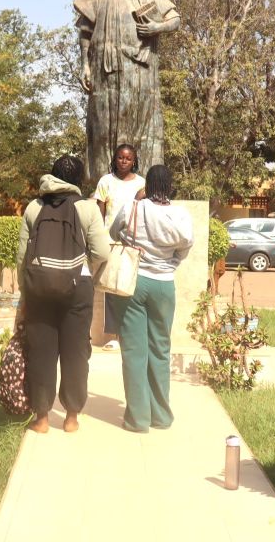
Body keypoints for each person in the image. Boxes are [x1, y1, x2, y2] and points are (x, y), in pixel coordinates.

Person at [74, 0, 180, 181]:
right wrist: (85, 65)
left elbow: (175, 19)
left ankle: (147, 184)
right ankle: (104, 183)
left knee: (146, 130)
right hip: (108, 74)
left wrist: (157, 27)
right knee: (104, 130)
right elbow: (85, 31)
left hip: (143, 75)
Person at [17, 155, 111, 434]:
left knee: (41, 351)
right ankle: (71, 417)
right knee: (76, 352)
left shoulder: (34, 207)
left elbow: (22, 257)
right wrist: (84, 266)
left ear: (52, 175)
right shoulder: (87, 208)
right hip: (77, 287)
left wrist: (25, 292)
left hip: (39, 290)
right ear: (78, 179)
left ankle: (42, 418)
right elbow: (102, 252)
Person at [109, 165, 193, 433]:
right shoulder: (180, 214)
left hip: (133, 282)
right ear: (169, 187)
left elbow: (113, 233)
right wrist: (170, 262)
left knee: (134, 351)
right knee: (160, 349)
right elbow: (185, 247)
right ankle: (161, 416)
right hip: (164, 285)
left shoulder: (133, 207)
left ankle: (138, 419)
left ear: (146, 187)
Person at [91, 143, 146, 351]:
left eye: (128, 158)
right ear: (115, 159)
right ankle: (114, 336)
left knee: (132, 289)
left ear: (134, 161)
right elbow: (99, 212)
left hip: (133, 242)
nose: (124, 161)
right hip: (111, 242)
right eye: (120, 157)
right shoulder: (105, 181)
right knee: (112, 290)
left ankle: (130, 334)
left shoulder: (141, 183)